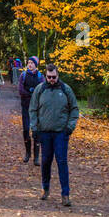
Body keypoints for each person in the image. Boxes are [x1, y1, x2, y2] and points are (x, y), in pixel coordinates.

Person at [29, 62, 79, 206]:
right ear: (45, 76)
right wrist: (35, 128)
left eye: (54, 77)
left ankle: (65, 194)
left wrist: (70, 127)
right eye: (49, 77)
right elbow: (32, 110)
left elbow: (74, 109)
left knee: (62, 162)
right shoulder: (40, 89)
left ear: (58, 75)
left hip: (61, 133)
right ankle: (45, 188)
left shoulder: (65, 89)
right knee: (45, 161)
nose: (51, 79)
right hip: (44, 132)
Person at [18, 55, 43, 164]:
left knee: (36, 131)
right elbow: (20, 89)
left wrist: (35, 96)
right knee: (25, 129)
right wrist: (30, 94)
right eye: (29, 62)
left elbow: (43, 90)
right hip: (26, 107)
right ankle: (27, 153)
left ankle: (36, 157)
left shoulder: (40, 76)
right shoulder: (23, 75)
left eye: (32, 63)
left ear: (36, 65)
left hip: (37, 109)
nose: (30, 64)